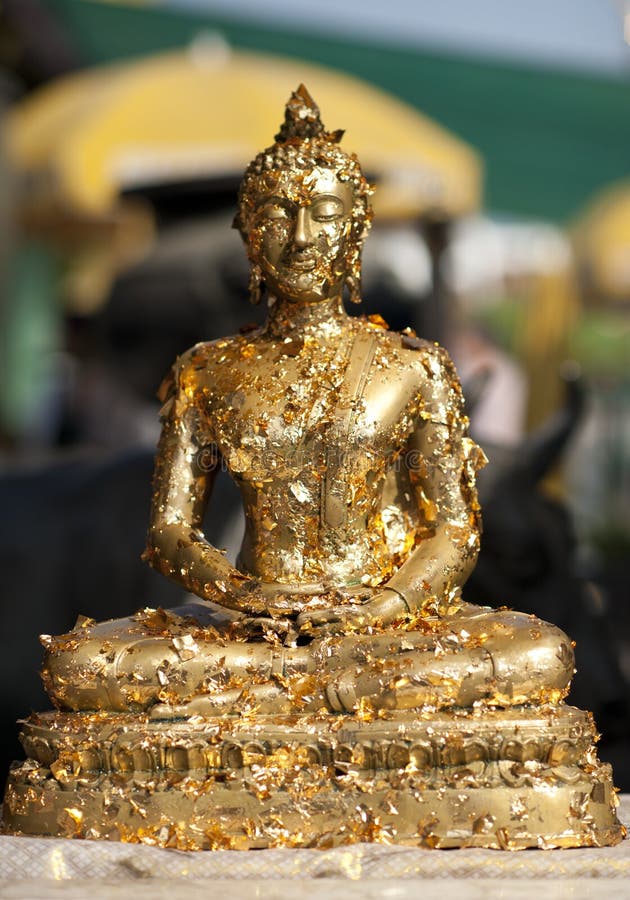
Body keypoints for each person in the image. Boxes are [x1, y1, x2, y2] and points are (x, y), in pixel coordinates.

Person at [43, 86, 573, 717]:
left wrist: (386, 606)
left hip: (383, 630)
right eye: (277, 214)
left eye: (322, 213)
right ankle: (322, 697)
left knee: (538, 653)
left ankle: (283, 698)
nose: (300, 238)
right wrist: (245, 596)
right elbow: (170, 532)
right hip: (250, 629)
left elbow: (454, 530)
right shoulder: (206, 370)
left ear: (355, 231)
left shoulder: (415, 366)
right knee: (83, 662)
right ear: (248, 233)